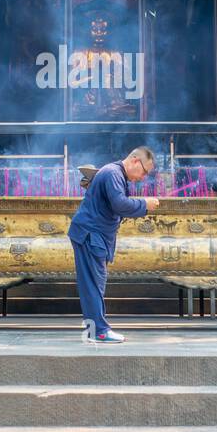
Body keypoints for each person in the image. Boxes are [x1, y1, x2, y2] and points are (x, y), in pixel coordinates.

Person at [68, 146, 159, 343]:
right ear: (135, 161)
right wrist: (145, 204)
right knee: (93, 284)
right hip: (90, 234)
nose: (143, 177)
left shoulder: (113, 173)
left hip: (93, 234)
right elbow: (120, 204)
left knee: (94, 284)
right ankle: (98, 332)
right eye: (144, 171)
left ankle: (95, 330)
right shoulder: (112, 173)